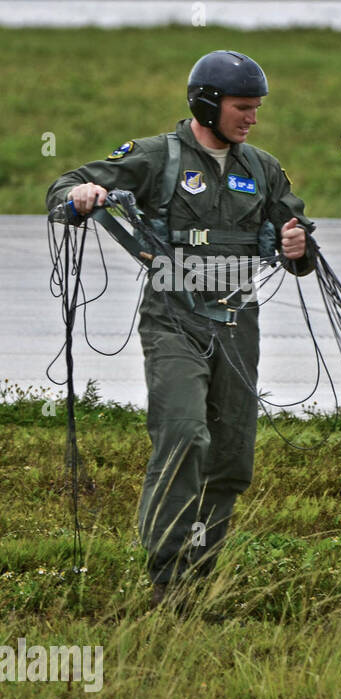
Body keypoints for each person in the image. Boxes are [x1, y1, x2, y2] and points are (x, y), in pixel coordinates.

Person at [45, 50, 316, 611]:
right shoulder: (155, 158)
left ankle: (199, 575)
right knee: (185, 436)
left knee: (231, 457)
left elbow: (294, 237)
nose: (253, 119)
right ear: (207, 104)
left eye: (257, 108)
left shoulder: (262, 167)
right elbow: (65, 186)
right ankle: (166, 579)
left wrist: (298, 248)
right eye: (243, 108)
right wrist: (79, 196)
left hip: (239, 325)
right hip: (173, 321)